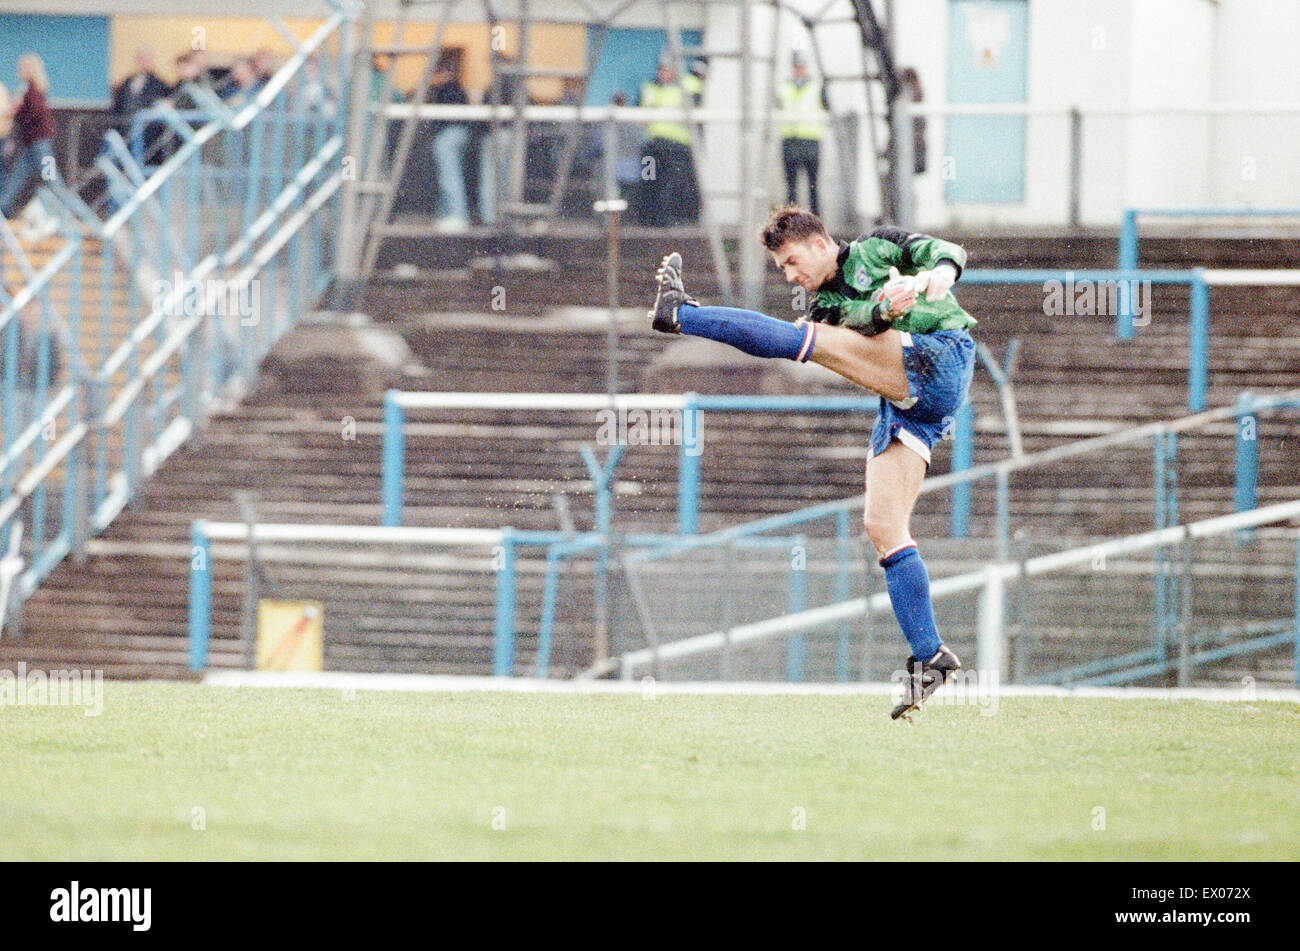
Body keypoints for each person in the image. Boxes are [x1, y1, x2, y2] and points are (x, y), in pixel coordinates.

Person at [648, 207, 976, 720]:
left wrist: (940, 274)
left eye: (792, 261)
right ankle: (931, 656)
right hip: (909, 398)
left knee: (799, 340)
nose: (789, 275)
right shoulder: (826, 307)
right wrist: (884, 308)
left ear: (821, 245)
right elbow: (863, 323)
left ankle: (681, 315)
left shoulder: (878, 247)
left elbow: (945, 251)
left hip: (941, 358)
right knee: (883, 526)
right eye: (782, 268)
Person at [637, 55, 697, 226]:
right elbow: (642, 117)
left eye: (667, 70)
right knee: (649, 179)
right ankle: (648, 220)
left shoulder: (685, 87)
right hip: (652, 145)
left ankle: (668, 219)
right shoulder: (649, 88)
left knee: (671, 182)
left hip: (676, 146)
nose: (663, 73)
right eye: (661, 69)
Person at [0, 55, 60, 221]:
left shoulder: (34, 91)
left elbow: (34, 114)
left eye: (22, 68)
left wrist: (16, 108)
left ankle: (68, 213)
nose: (19, 71)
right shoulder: (26, 90)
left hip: (41, 144)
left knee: (53, 180)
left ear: (31, 70)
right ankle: (2, 209)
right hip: (30, 144)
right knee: (16, 179)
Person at [777, 50, 829, 216]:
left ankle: (815, 220)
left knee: (813, 185)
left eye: (801, 66)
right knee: (791, 186)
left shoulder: (817, 86)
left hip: (810, 140)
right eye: (796, 66)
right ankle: (791, 221)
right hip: (790, 139)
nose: (798, 69)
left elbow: (826, 108)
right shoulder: (783, 87)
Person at [425, 53, 470, 233]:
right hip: (460, 133)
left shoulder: (446, 89)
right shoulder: (459, 88)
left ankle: (457, 216)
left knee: (449, 176)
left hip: (448, 136)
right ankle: (449, 214)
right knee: (451, 175)